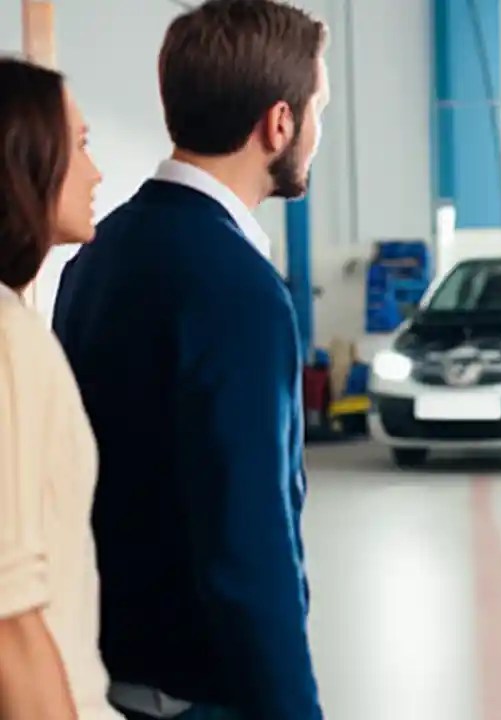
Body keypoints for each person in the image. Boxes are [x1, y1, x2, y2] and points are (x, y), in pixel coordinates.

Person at [50, 2, 331, 718]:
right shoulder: (237, 286)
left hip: (110, 674)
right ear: (279, 123)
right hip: (202, 696)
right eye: (318, 110)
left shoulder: (99, 255)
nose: (316, 132)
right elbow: (249, 549)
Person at [0, 58, 118, 718]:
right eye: (80, 144)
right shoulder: (8, 341)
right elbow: (10, 628)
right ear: (25, 160)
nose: (96, 172)